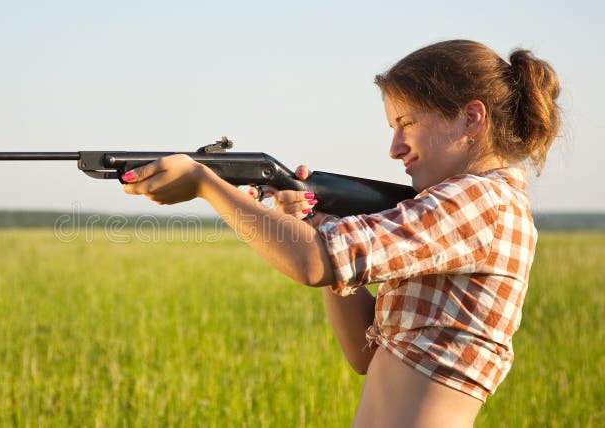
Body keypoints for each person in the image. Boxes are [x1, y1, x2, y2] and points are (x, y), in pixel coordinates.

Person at [120, 39, 561, 427]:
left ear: (471, 119)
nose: (394, 148)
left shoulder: (483, 202)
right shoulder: (461, 207)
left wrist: (205, 183)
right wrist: (316, 224)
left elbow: (312, 262)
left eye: (406, 122)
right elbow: (364, 355)